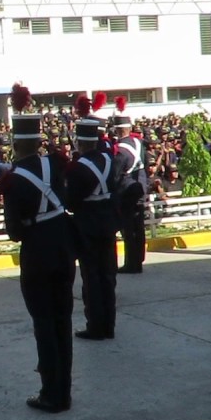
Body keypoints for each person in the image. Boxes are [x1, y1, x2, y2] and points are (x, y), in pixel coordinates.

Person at [0, 84, 76, 412]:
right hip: (63, 248)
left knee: (43, 324)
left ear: (16, 143)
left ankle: (51, 393)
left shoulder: (14, 178)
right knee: (63, 321)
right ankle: (65, 391)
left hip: (37, 255)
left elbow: (14, 232)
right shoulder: (55, 164)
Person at [67, 93, 119, 340]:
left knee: (92, 277)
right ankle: (109, 325)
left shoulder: (78, 167)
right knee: (108, 275)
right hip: (108, 220)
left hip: (87, 223)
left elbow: (71, 202)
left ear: (80, 141)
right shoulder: (109, 159)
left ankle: (96, 326)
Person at [110, 97, 147, 274]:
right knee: (139, 227)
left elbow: (115, 176)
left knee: (129, 229)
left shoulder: (120, 150)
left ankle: (132, 263)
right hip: (140, 187)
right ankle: (139, 259)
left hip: (126, 193)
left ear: (117, 130)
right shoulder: (138, 143)